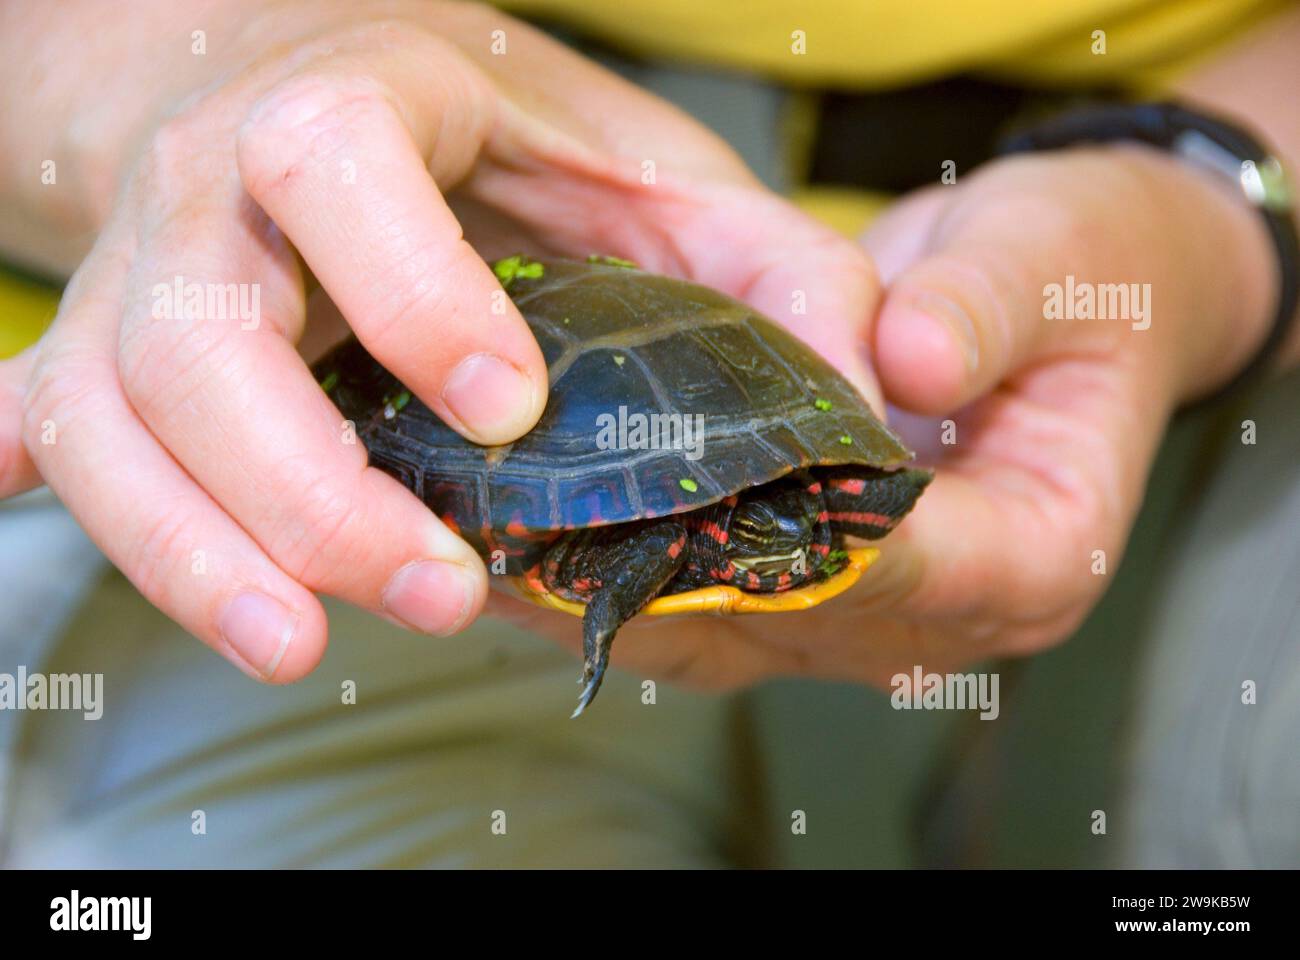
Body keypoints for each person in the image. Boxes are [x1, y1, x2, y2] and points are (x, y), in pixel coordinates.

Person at [0, 0, 1295, 867]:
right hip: (384, 220)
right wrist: (155, 83)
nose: (796, 541)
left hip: (1123, 177)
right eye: (782, 530)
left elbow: (854, 493)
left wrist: (1216, 206)